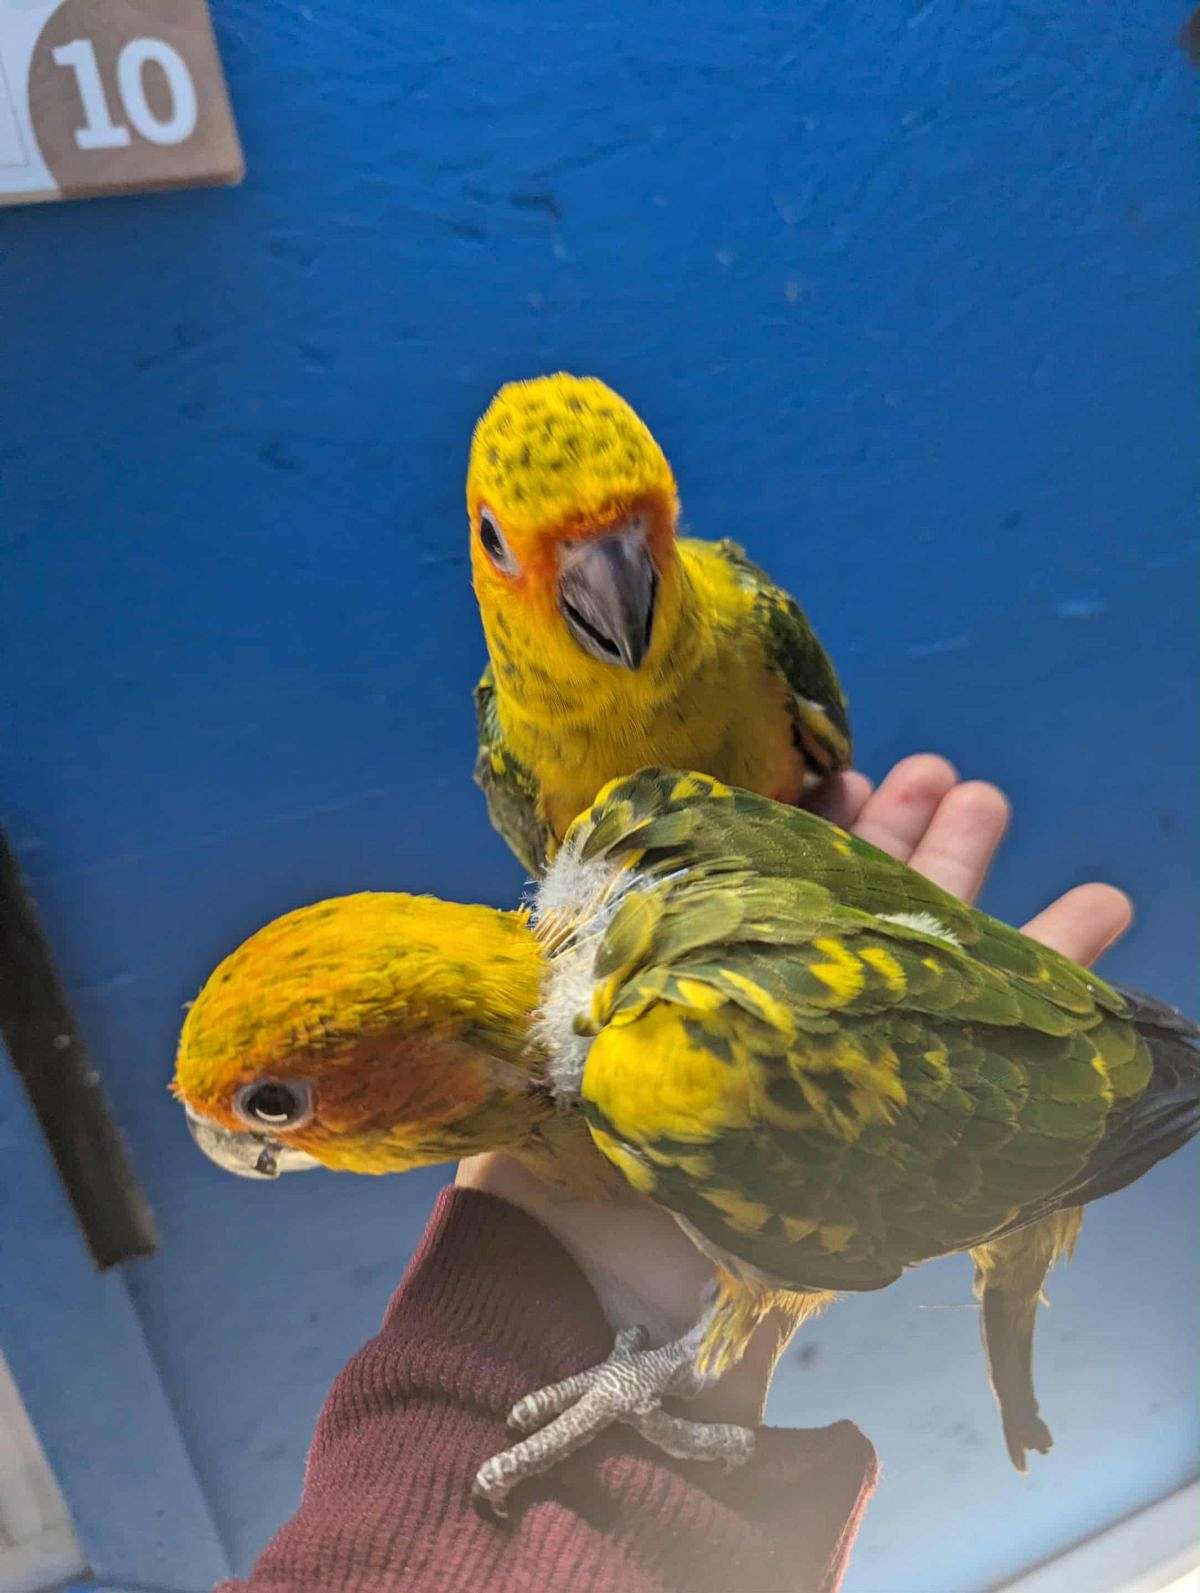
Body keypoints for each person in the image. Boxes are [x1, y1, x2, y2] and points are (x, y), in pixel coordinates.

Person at [218, 757, 1132, 1593]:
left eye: (271, 1106)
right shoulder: (631, 818)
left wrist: (662, 1362)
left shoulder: (664, 1085)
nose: (257, 1144)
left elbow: (795, 1263)